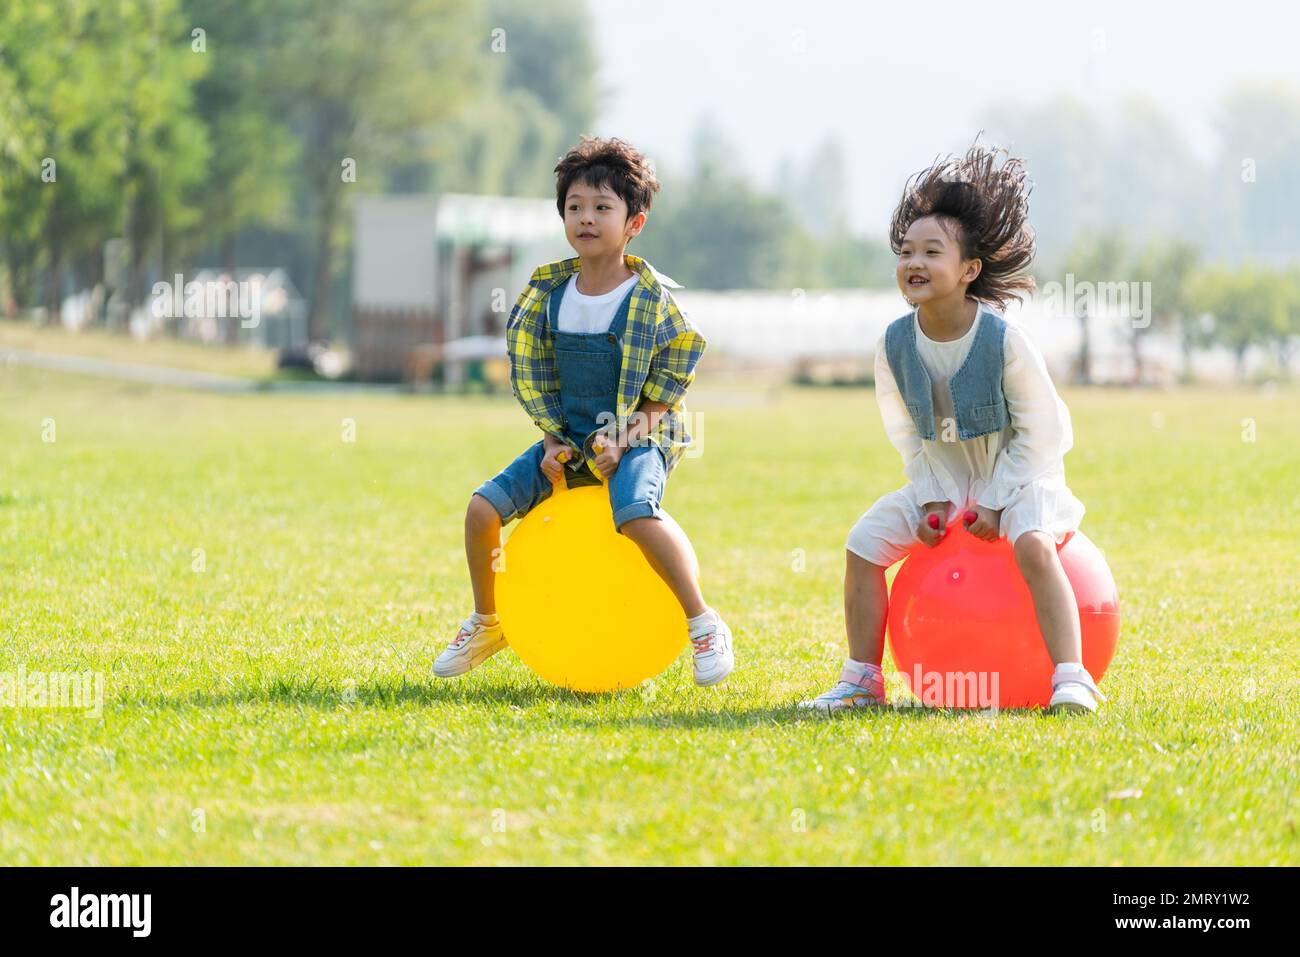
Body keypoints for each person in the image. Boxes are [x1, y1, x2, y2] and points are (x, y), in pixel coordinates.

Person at [801, 143, 1104, 715]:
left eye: (931, 252)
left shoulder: (1003, 341)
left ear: (969, 270)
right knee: (862, 544)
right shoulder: (893, 344)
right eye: (906, 251)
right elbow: (908, 434)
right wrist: (933, 496)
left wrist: (994, 501)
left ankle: (1072, 675)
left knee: (1035, 546)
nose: (914, 262)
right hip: (944, 480)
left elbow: (1045, 430)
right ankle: (863, 679)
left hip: (1020, 478)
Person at [435, 136, 734, 687]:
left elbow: (672, 379)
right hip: (571, 437)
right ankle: (489, 619)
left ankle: (702, 622)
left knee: (635, 514)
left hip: (641, 435)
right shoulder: (548, 295)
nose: (586, 219)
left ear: (634, 223)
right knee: (482, 509)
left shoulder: (650, 299)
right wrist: (550, 441)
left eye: (602, 208)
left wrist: (627, 436)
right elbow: (539, 376)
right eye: (575, 207)